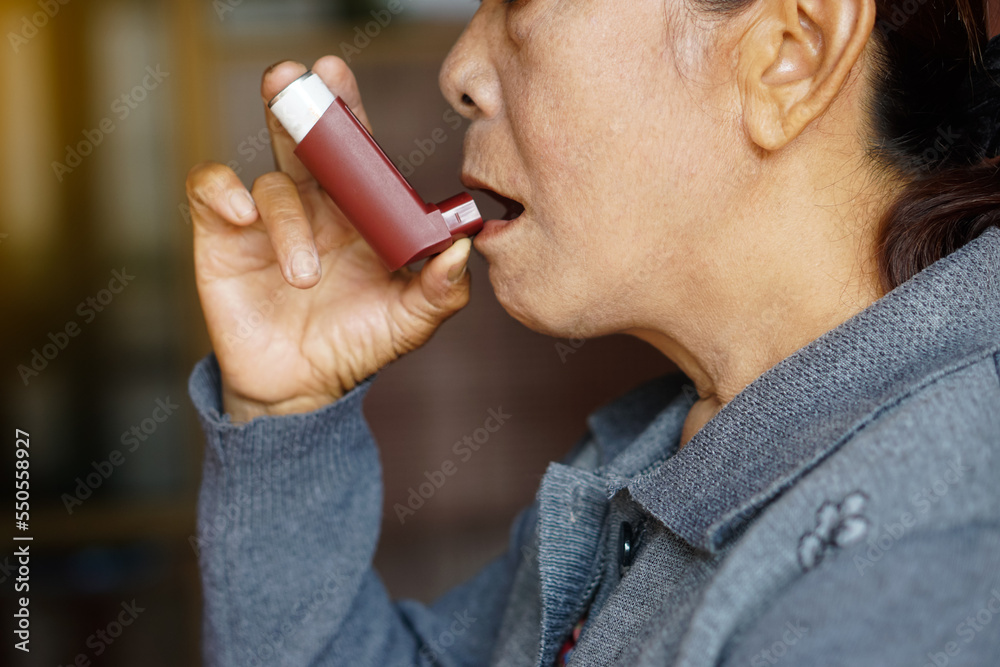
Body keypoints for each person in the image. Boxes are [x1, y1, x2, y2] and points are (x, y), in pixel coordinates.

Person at [184, 0, 1000, 665]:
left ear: (791, 53)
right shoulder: (656, 446)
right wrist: (285, 412)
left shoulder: (929, 541)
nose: (459, 73)